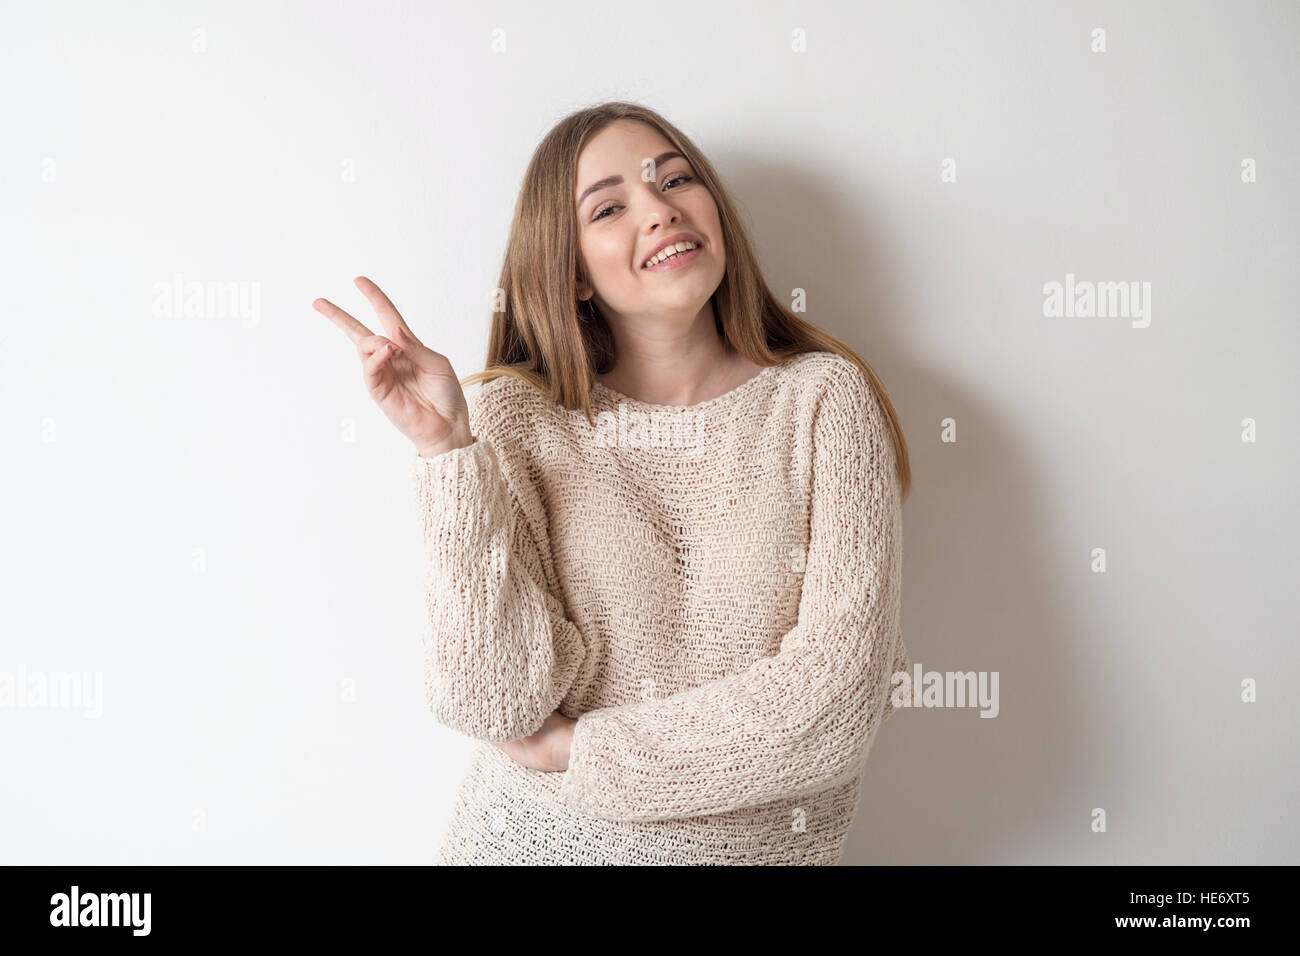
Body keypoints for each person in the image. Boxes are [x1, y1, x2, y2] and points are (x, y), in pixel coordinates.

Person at [312, 101, 913, 865]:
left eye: (676, 180)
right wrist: (447, 452)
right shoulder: (513, 417)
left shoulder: (824, 401)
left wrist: (585, 750)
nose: (660, 211)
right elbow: (493, 702)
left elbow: (836, 704)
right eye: (610, 207)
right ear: (574, 273)